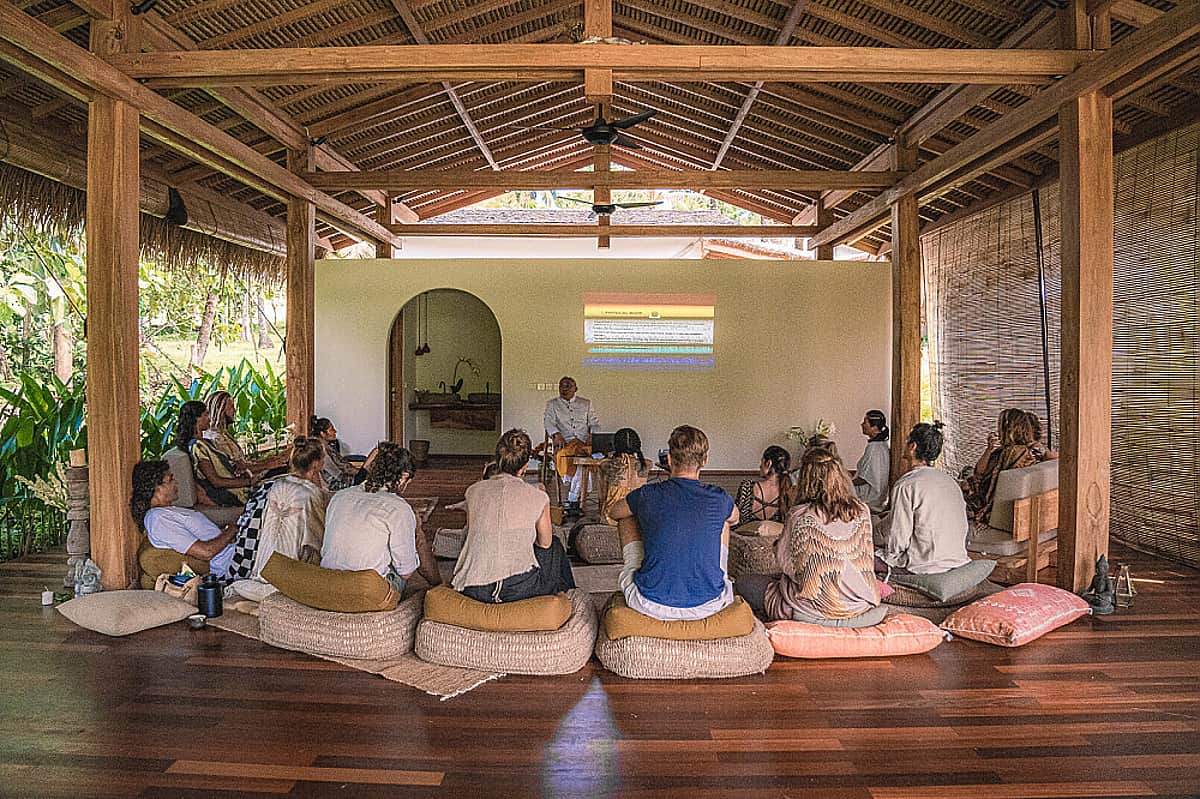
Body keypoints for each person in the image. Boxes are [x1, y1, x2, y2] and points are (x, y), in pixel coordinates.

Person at [735, 448, 884, 627]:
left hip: (812, 608)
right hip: (860, 604)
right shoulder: (862, 510)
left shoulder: (799, 514)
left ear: (805, 478)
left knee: (744, 582)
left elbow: (787, 565)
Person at [608, 425, 738, 621]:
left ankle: (636, 567)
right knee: (724, 521)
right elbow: (735, 517)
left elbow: (614, 512)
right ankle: (719, 576)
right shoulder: (719, 498)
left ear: (668, 459)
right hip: (711, 603)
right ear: (704, 461)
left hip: (650, 603)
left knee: (627, 516)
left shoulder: (647, 494)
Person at [451, 429, 576, 603]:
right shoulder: (538, 497)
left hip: (474, 588)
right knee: (554, 544)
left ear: (497, 460)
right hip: (518, 589)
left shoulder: (473, 491)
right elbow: (544, 543)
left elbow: (473, 533)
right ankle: (569, 598)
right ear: (525, 467)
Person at [320, 442, 442, 593]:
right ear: (403, 477)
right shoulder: (399, 508)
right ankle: (438, 586)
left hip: (328, 582)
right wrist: (417, 531)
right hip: (366, 592)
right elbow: (406, 572)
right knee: (406, 558)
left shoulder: (340, 496)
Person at [228, 436, 329, 581]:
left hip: (263, 566)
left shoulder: (276, 484)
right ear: (315, 463)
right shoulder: (311, 493)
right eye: (323, 459)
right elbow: (318, 538)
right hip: (289, 572)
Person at [876, 421, 970, 575]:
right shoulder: (950, 481)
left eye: (907, 441)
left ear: (912, 447)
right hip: (958, 558)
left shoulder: (906, 485)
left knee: (860, 557)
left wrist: (888, 558)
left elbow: (899, 538)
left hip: (926, 565)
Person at [130, 460, 237, 579]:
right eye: (170, 480)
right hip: (233, 563)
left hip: (234, 551)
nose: (176, 483)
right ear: (156, 488)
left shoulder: (165, 512)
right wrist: (231, 530)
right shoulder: (158, 519)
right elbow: (206, 552)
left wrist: (225, 533)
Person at [962, 408, 1045, 522]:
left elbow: (986, 484)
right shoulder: (1009, 450)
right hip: (982, 488)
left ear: (1008, 429)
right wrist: (989, 449)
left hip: (986, 500)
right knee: (965, 476)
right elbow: (979, 472)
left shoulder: (1013, 453)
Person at [177, 400, 253, 506]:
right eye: (206, 414)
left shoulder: (206, 442)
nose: (209, 418)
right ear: (196, 419)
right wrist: (249, 482)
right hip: (233, 495)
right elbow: (216, 481)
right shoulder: (197, 447)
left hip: (239, 488)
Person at [544, 376, 598, 516]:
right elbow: (548, 422)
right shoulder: (552, 404)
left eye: (568, 386)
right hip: (565, 443)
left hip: (583, 443)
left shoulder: (586, 403)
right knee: (579, 461)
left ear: (576, 389)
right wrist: (556, 434)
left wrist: (593, 434)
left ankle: (573, 500)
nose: (565, 388)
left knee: (583, 460)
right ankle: (574, 500)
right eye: (562, 386)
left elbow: (594, 423)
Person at [205, 391, 288, 478]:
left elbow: (243, 464)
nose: (234, 410)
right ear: (220, 410)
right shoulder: (216, 439)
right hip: (245, 483)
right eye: (231, 407)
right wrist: (267, 465)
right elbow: (235, 469)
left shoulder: (222, 435)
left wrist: (267, 461)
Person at [598, 427, 650, 526]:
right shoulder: (647, 465)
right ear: (638, 445)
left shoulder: (607, 465)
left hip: (613, 516)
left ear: (615, 445)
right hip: (637, 515)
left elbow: (602, 495)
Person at [734, 446, 792, 524]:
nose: (760, 466)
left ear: (768, 463)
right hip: (775, 536)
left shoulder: (747, 487)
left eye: (762, 461)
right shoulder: (787, 491)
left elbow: (735, 520)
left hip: (741, 535)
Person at [311, 415, 366, 490]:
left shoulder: (328, 446)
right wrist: (361, 473)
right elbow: (338, 474)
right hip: (335, 483)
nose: (335, 432)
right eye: (331, 430)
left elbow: (344, 466)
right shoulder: (321, 450)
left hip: (343, 478)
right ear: (322, 434)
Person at [852, 410, 890, 514]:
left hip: (871, 497)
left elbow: (864, 478)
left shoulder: (874, 448)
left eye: (865, 422)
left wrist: (845, 482)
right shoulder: (881, 445)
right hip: (878, 496)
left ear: (875, 428)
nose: (862, 424)